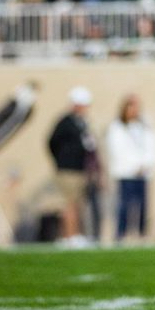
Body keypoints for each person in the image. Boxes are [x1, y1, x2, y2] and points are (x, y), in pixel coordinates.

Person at [105, 94, 155, 242]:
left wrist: (146, 165)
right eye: (131, 106)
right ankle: (121, 234)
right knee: (124, 204)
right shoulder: (117, 127)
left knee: (143, 205)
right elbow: (117, 150)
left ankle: (142, 234)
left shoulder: (144, 126)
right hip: (125, 172)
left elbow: (152, 146)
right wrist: (133, 166)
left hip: (143, 173)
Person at [47, 86, 98, 247]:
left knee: (76, 204)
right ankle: (68, 236)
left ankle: (75, 234)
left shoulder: (81, 123)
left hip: (79, 169)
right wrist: (62, 160)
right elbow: (52, 142)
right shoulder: (65, 122)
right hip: (67, 170)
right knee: (69, 204)